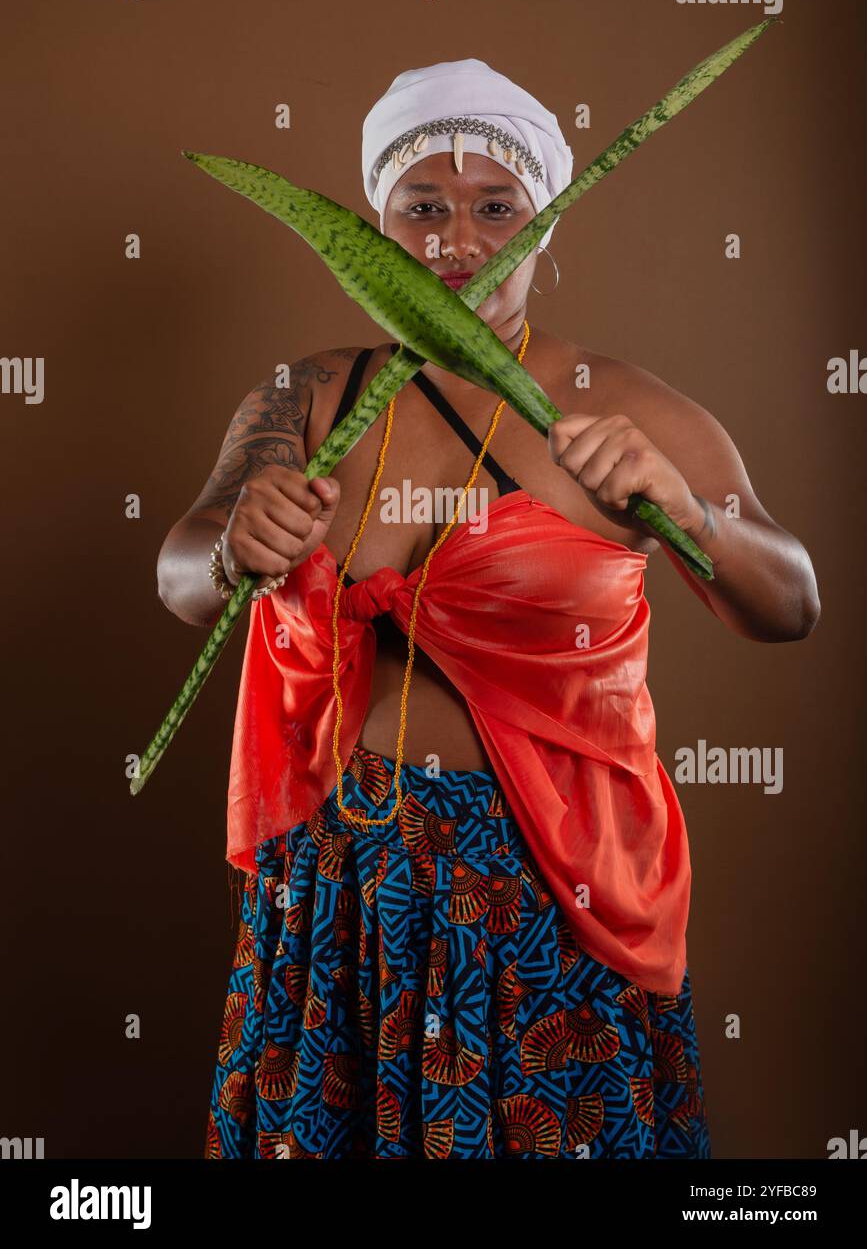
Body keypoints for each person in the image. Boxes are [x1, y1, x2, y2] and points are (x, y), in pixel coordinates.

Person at [157, 58, 820, 1160]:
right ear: (374, 226)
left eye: (496, 207)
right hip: (346, 875)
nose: (457, 239)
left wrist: (686, 509)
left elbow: (791, 602)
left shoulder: (623, 404)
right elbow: (182, 573)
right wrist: (232, 548)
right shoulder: (306, 394)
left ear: (546, 223)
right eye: (422, 207)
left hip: (551, 884)